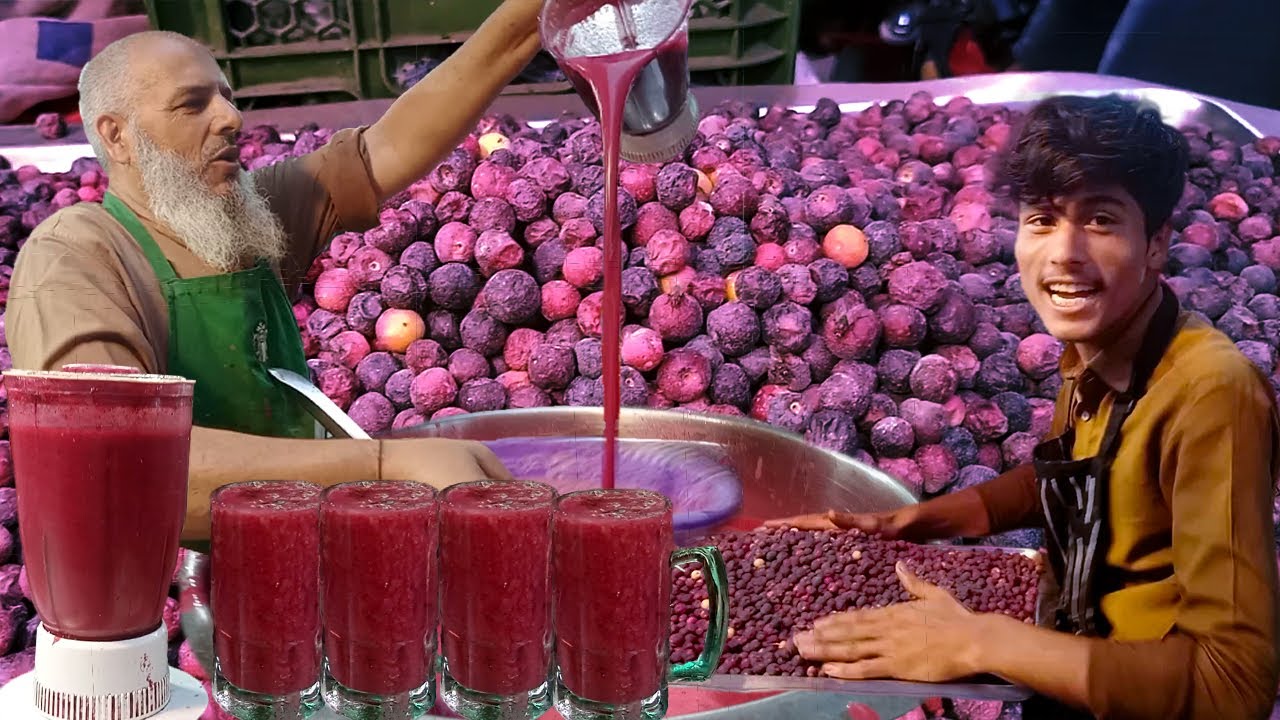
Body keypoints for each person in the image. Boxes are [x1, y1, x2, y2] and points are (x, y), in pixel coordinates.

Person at [767, 95, 1280, 719]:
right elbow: (1077, 476)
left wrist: (986, 639)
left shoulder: (1212, 395)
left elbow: (1234, 686)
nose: (1064, 252)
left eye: (1100, 220)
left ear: (1157, 243)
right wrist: (915, 523)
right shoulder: (1102, 347)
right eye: (1041, 219)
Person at [5, 2, 551, 542]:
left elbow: (388, 146)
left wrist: (535, 15)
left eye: (226, 96)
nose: (231, 118)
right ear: (116, 135)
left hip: (289, 544)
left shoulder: (241, 217)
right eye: (192, 105)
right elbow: (120, 461)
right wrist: (383, 463)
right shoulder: (74, 254)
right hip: (158, 589)